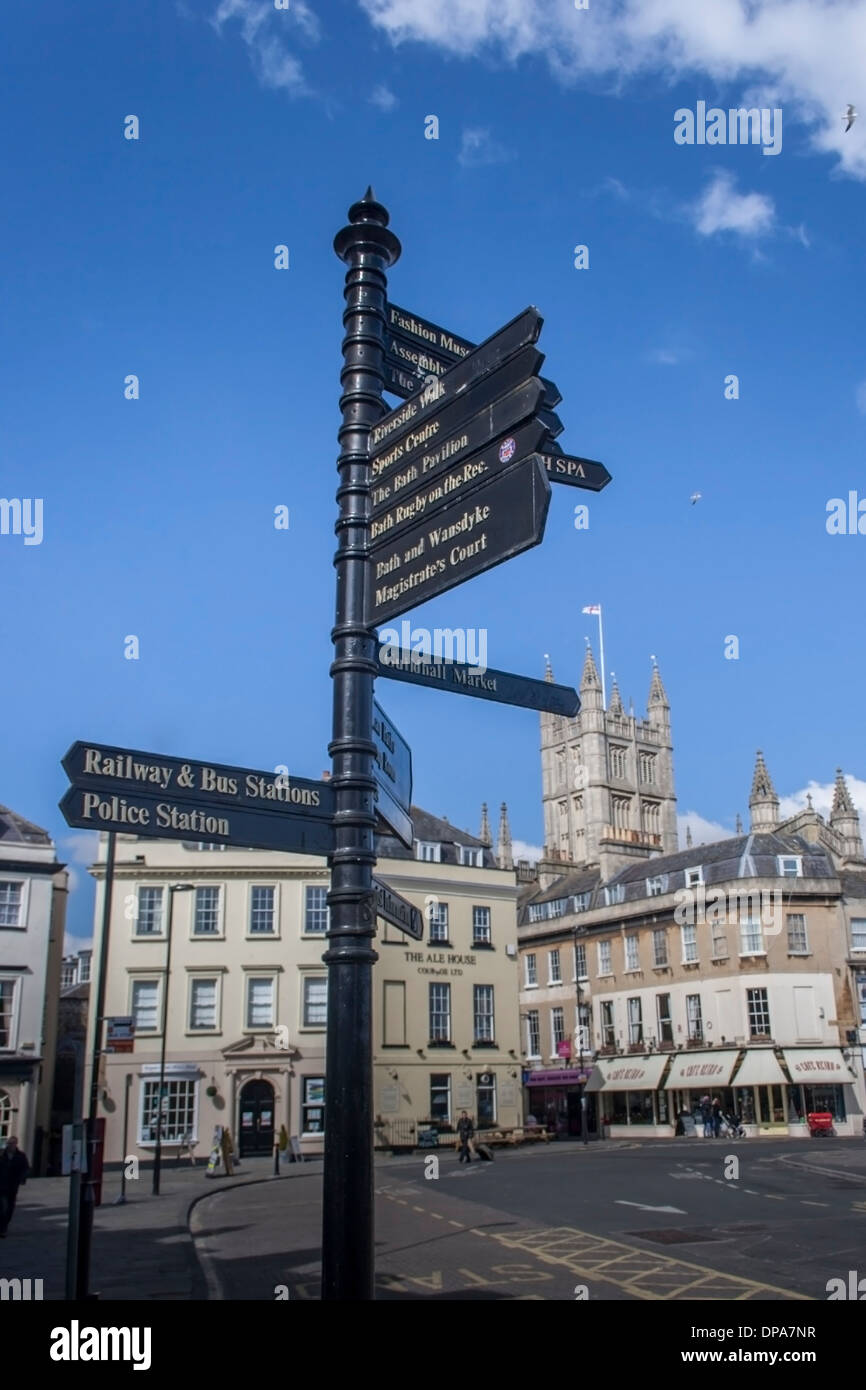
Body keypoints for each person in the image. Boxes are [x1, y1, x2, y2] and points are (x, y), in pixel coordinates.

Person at [0, 1137, 30, 1236]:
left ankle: (4, 1226)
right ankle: (2, 1228)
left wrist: (22, 1179)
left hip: (12, 1186)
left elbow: (25, 1168)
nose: (9, 1145)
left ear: (16, 1144)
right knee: (2, 1207)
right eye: (8, 1143)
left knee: (9, 1208)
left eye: (12, 1143)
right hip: (1, 1186)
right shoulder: (1, 1155)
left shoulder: (21, 1156)